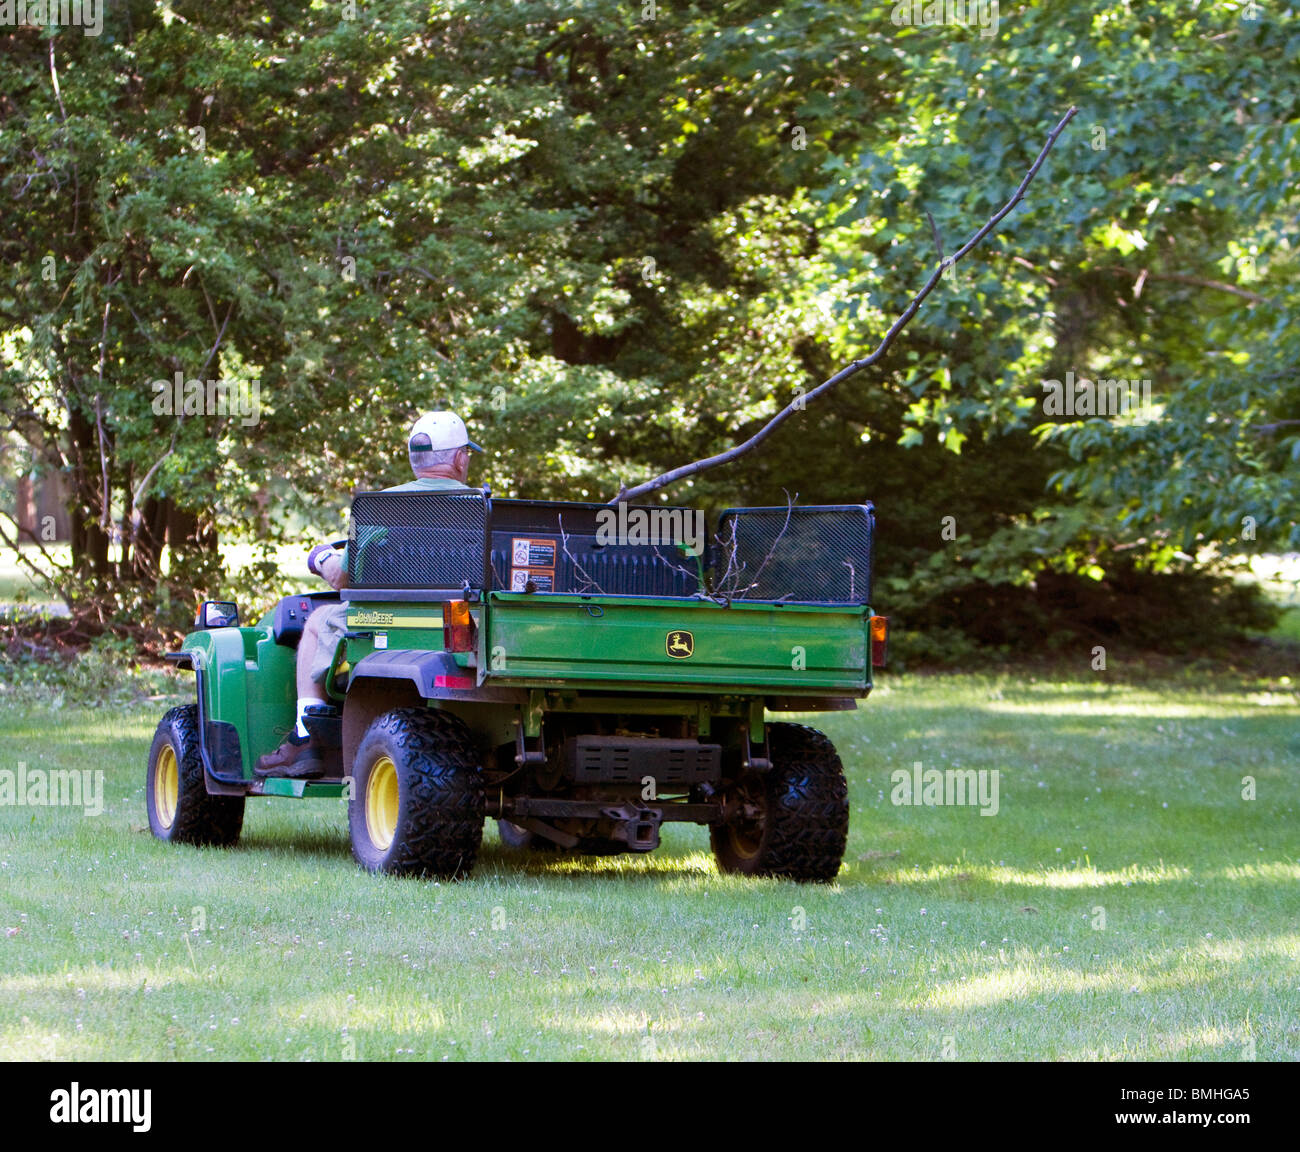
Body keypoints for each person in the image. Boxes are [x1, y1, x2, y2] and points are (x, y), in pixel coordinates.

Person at [255, 411, 483, 777]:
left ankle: (306, 739)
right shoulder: (483, 507)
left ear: (415, 459)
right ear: (459, 458)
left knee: (315, 621)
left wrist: (321, 556)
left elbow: (342, 578)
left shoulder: (379, 507)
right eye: (467, 454)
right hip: (462, 628)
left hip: (387, 627)